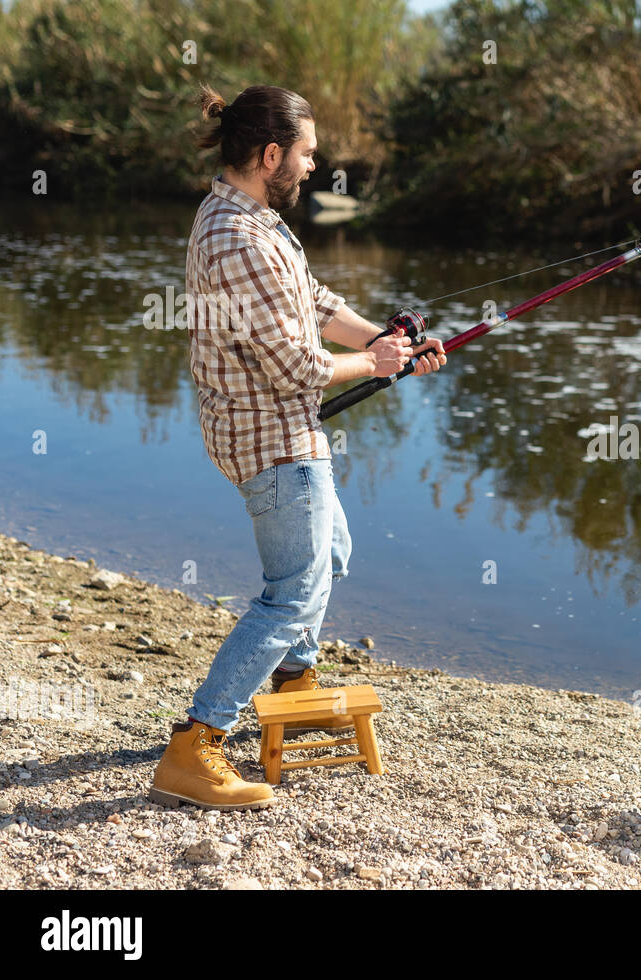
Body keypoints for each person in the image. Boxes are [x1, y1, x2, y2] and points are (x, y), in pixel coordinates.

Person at [148, 83, 446, 809]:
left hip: (280, 430)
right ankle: (195, 746)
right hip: (271, 436)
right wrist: (376, 366)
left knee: (329, 555)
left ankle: (293, 680)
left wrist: (384, 341)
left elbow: (313, 302)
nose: (314, 167)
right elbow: (295, 366)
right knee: (294, 593)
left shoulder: (251, 218)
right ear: (271, 154)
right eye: (307, 154)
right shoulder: (237, 237)